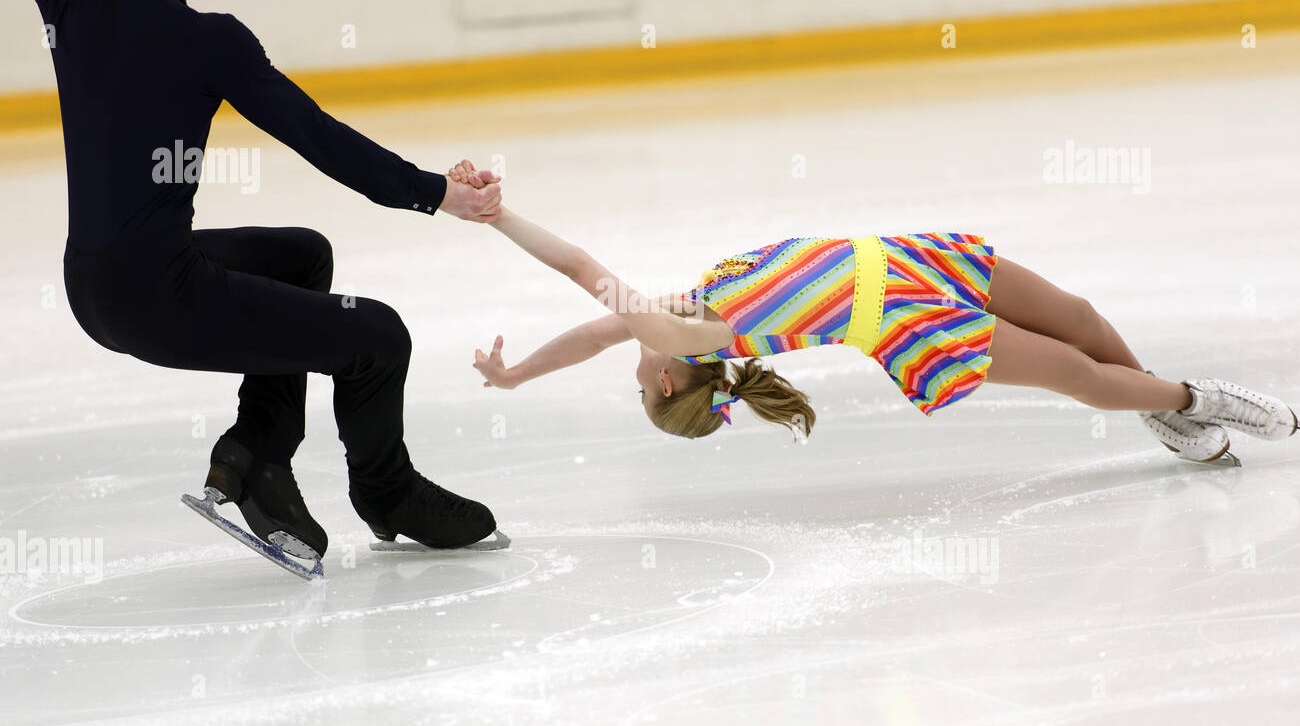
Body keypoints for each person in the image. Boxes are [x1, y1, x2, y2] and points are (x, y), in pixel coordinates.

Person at [1, 0, 505, 564]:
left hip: (92, 286)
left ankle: (257, 457)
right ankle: (386, 493)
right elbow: (321, 139)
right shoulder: (212, 40)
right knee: (380, 338)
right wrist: (437, 193)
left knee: (302, 254)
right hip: (159, 299)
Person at [447, 160, 1297, 463]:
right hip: (900, 317)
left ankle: (1154, 405)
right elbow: (579, 269)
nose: (630, 375)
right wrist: (500, 217)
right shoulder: (680, 333)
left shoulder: (684, 314)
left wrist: (518, 374)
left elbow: (591, 327)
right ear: (670, 377)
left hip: (906, 257)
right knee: (1076, 374)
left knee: (1076, 315)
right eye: (641, 394)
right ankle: (1200, 401)